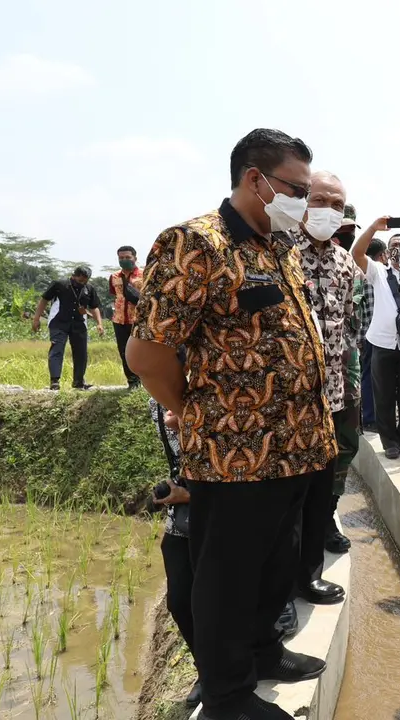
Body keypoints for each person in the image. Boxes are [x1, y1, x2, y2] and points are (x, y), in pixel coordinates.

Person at [126, 128, 336, 720]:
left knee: (277, 566)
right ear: (254, 179)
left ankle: (265, 651)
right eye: (296, 188)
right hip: (232, 453)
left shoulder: (281, 244)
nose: (304, 200)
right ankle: (227, 695)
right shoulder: (197, 244)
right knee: (227, 576)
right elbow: (147, 356)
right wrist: (196, 411)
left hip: (298, 447)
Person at [293, 170, 359, 606]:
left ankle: (307, 575)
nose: (329, 212)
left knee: (321, 487)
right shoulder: (277, 252)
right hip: (290, 401)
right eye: (320, 201)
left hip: (335, 392)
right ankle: (277, 592)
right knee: (286, 497)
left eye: (337, 205)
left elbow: (351, 321)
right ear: (301, 201)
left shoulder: (343, 262)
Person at [149, 390, 202, 710]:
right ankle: (206, 669)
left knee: (218, 599)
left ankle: (230, 670)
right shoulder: (155, 403)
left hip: (222, 512)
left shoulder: (210, 387)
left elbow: (238, 466)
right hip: (183, 519)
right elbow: (177, 460)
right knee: (180, 600)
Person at [351, 222, 400, 460]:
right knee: (383, 395)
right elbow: (357, 253)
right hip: (381, 343)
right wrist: (373, 228)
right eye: (394, 245)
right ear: (387, 252)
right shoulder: (378, 272)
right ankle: (389, 442)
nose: (398, 249)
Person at [33, 266, 104, 391]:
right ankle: (54, 381)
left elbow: (94, 307)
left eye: (85, 281)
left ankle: (78, 382)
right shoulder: (59, 284)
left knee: (81, 352)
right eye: (80, 280)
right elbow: (44, 300)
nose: (82, 283)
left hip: (79, 323)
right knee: (57, 349)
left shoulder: (89, 289)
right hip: (59, 322)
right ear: (74, 276)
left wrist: (99, 323)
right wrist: (36, 318)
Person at [356, 238, 384, 433]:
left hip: (366, 334)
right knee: (380, 379)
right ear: (382, 255)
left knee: (368, 377)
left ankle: (369, 418)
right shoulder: (382, 275)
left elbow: (357, 309)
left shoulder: (360, 275)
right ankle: (373, 418)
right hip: (382, 336)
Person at [109, 246, 144, 389]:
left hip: (138, 319)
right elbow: (114, 294)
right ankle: (132, 382)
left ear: (135, 258)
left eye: (127, 257)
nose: (124, 260)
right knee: (124, 352)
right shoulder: (114, 276)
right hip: (119, 320)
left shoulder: (144, 274)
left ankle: (146, 382)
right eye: (121, 258)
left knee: (141, 352)